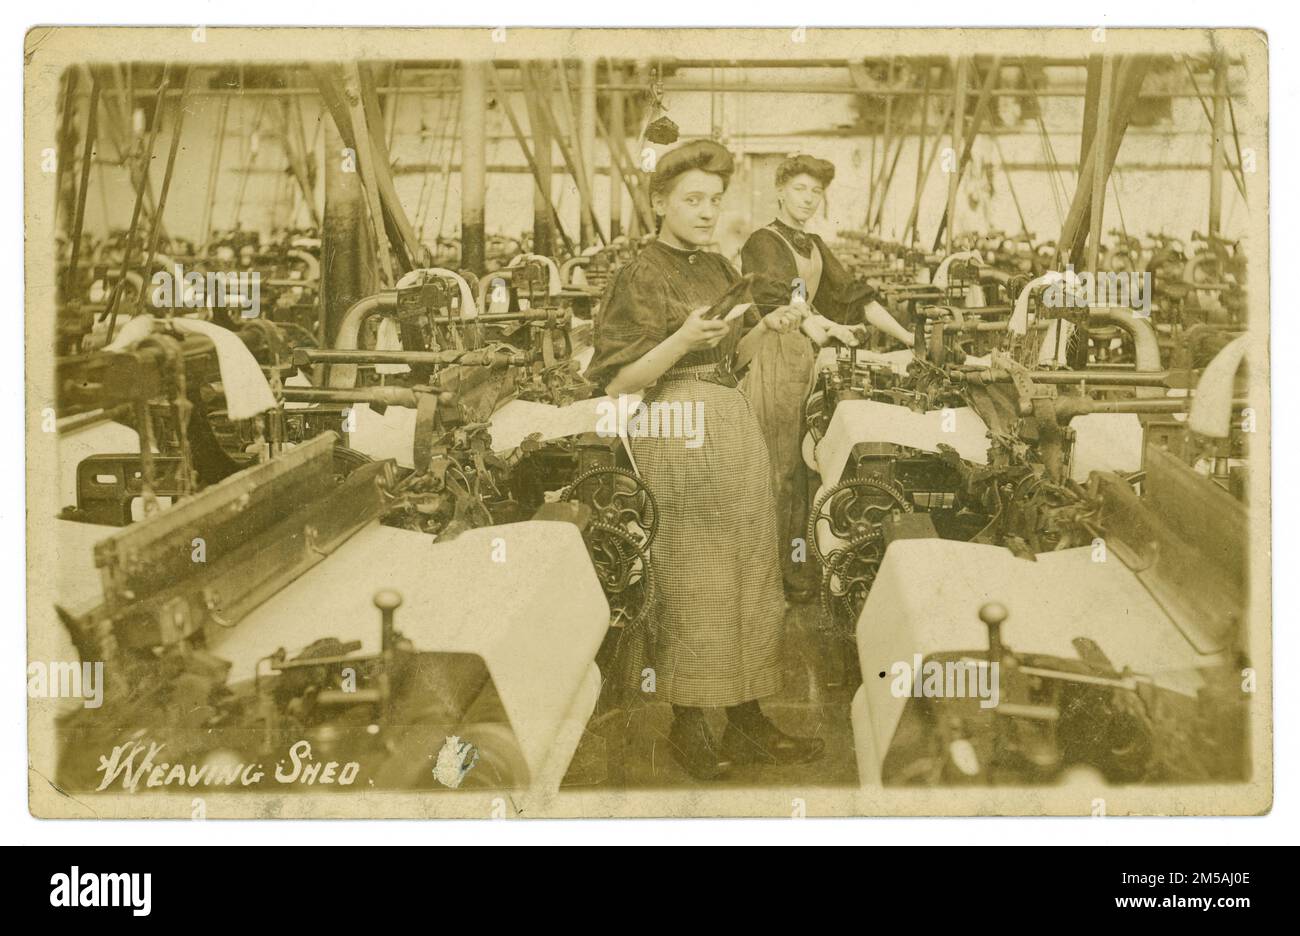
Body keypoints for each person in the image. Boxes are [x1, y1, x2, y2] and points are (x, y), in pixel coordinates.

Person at [584, 140, 825, 781]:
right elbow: (619, 382)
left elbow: (731, 362)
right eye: (692, 200)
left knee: (751, 570)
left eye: (714, 200)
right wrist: (683, 338)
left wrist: (764, 329)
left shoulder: (719, 267)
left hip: (730, 421)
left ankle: (746, 719)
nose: (706, 211)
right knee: (693, 578)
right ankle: (688, 723)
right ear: (659, 202)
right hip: (675, 426)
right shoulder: (641, 273)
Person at [740, 154, 914, 602]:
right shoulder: (763, 242)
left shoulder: (814, 244)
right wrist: (827, 327)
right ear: (780, 190)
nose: (808, 199)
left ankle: (795, 566)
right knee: (780, 470)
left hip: (802, 357)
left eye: (816, 192)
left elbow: (855, 296)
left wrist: (909, 338)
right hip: (774, 358)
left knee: (802, 469)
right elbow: (783, 301)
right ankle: (770, 576)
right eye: (800, 189)